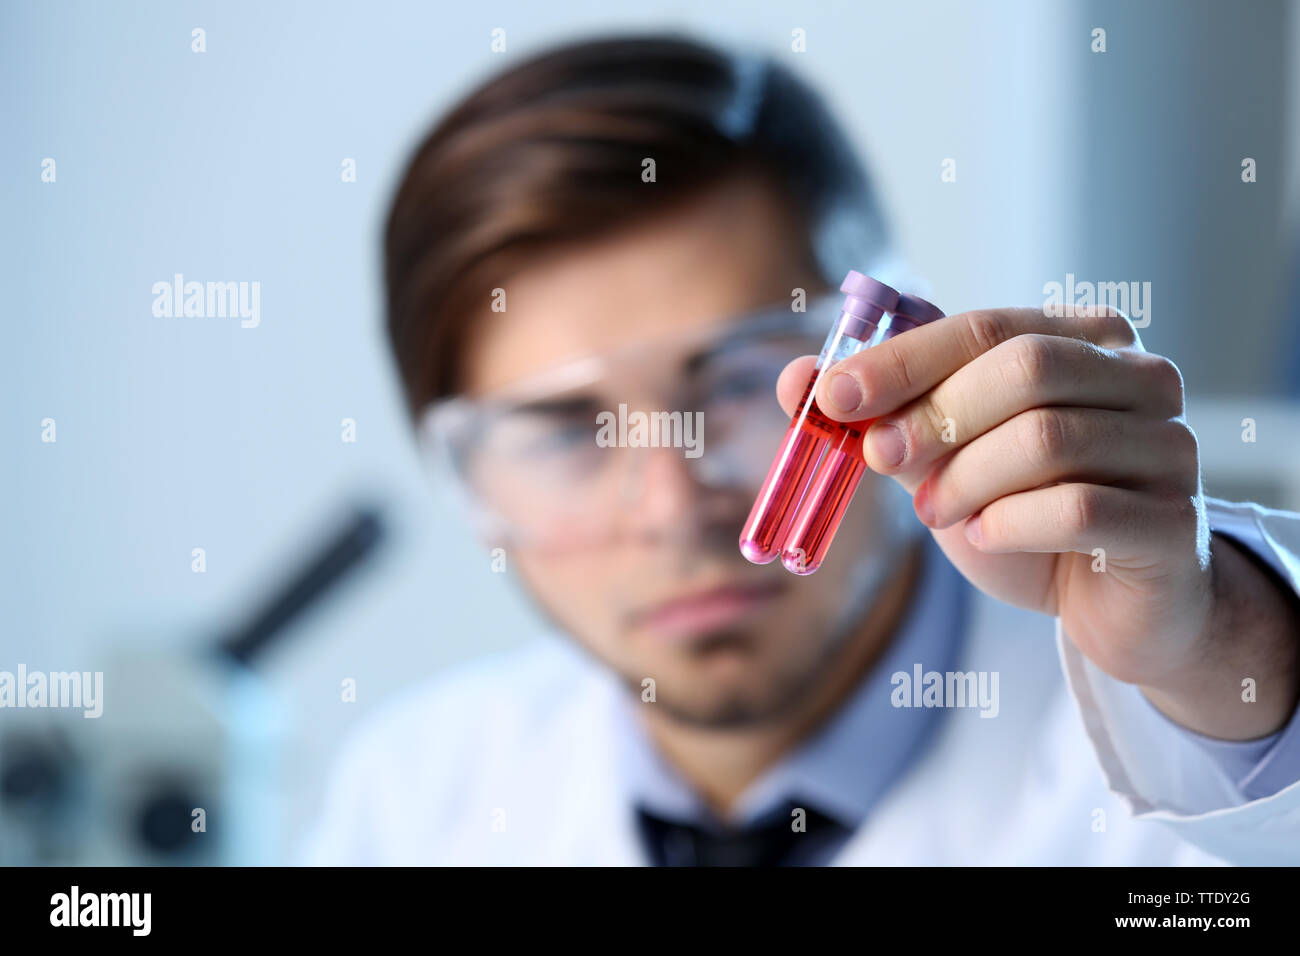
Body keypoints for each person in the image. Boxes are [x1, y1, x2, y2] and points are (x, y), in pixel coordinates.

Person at [304, 35, 1300, 865]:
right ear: (465, 473)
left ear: (881, 354)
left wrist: (1222, 647)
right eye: (569, 429)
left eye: (740, 383)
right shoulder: (413, 799)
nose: (671, 506)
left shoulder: (1186, 759)